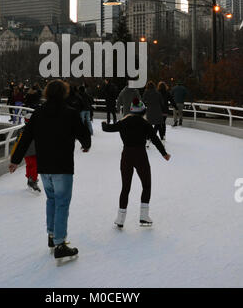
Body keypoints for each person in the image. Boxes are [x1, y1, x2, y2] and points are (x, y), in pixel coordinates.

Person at [9, 79, 91, 261]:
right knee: (61, 202)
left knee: (52, 200)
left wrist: (15, 160)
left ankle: (52, 235)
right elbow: (84, 135)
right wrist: (86, 145)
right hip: (62, 166)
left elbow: (25, 137)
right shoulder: (70, 113)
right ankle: (60, 244)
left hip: (44, 166)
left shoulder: (38, 113)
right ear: (64, 93)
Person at [102, 98, 171, 228]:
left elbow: (108, 128)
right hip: (140, 155)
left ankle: (120, 219)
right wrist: (164, 154)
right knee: (146, 185)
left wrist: (104, 124)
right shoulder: (145, 124)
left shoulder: (124, 122)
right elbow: (155, 139)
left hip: (126, 155)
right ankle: (144, 216)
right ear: (143, 111)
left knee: (125, 187)